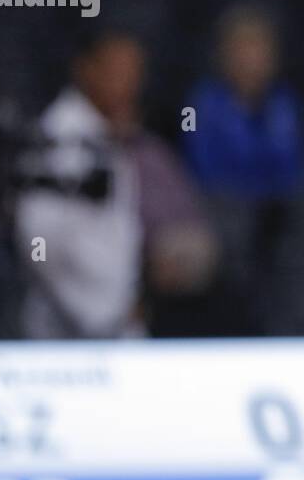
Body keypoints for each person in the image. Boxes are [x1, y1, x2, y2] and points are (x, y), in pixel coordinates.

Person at [16, 30, 218, 338]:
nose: (127, 84)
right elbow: (39, 243)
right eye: (115, 71)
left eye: (133, 73)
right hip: (68, 331)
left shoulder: (114, 135)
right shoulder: (59, 138)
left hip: (117, 323)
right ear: (86, 69)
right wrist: (98, 312)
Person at [183, 5, 304, 327]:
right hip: (220, 212)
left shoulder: (283, 104)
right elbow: (205, 171)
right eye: (242, 50)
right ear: (225, 55)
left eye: (258, 50)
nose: (251, 60)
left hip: (274, 215)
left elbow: (291, 171)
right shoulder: (205, 104)